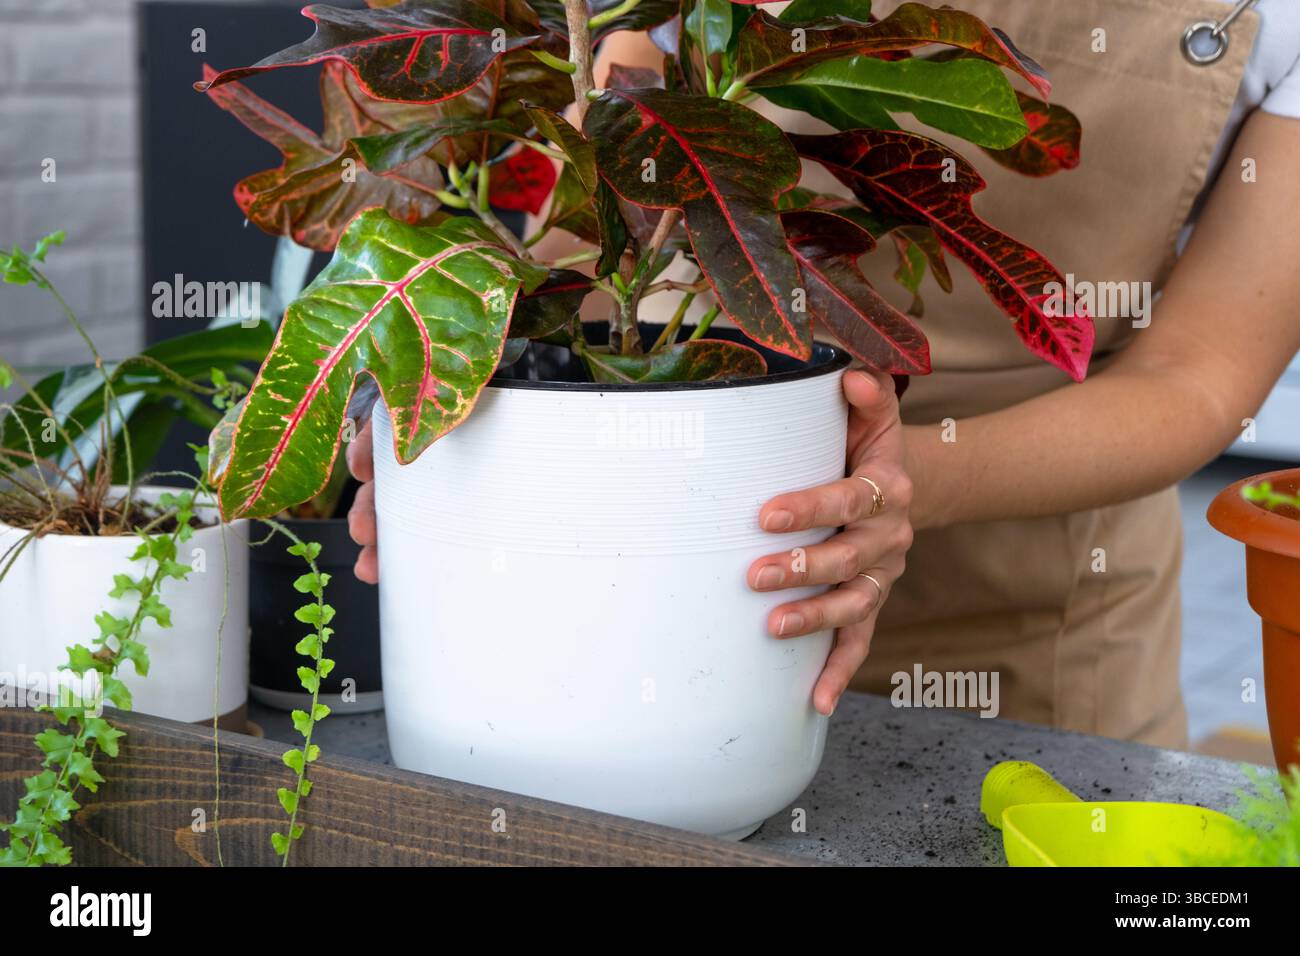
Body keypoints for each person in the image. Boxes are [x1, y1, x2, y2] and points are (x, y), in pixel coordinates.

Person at [346, 0, 1300, 748]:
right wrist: (473, 387)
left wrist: (887, 484)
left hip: (1029, 619)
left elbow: (1200, 376)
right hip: (648, 534)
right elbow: (612, 193)